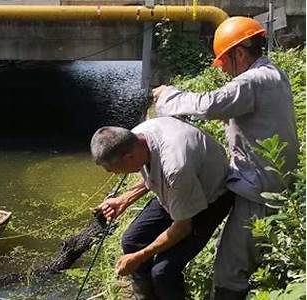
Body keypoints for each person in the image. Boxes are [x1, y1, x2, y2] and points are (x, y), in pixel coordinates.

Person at [152, 17, 299, 299]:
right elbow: (242, 112)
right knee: (246, 258)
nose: (225, 72)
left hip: (257, 192)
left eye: (225, 62)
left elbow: (209, 104)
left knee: (230, 272)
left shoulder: (250, 81)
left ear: (240, 53)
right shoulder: (273, 73)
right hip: (272, 184)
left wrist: (167, 97)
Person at [91, 117, 235, 300]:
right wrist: (123, 199)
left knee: (163, 271)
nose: (116, 174)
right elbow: (155, 174)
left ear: (128, 158)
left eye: (115, 169)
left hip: (209, 200)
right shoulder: (136, 139)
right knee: (131, 240)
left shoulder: (175, 166)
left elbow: (182, 228)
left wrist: (139, 257)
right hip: (180, 191)